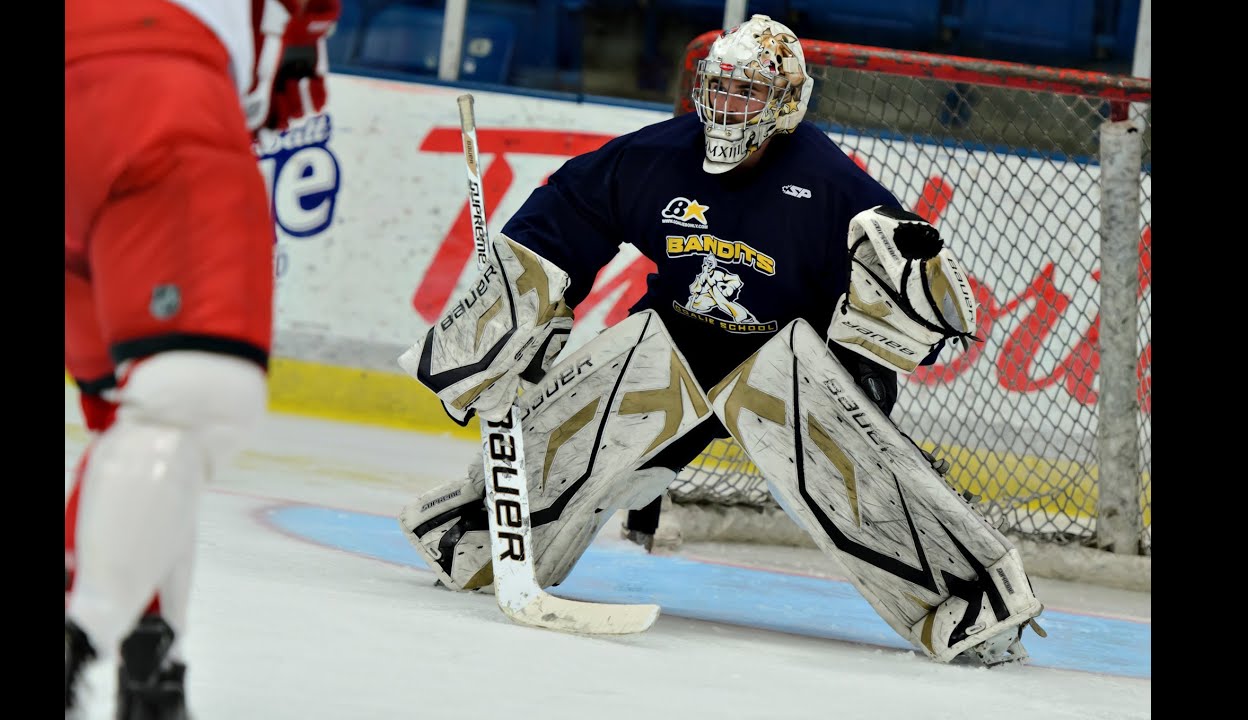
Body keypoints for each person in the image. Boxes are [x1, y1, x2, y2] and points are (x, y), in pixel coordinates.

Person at [397, 14, 1037, 665]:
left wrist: (880, 352)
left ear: (787, 102)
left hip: (786, 356)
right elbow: (564, 215)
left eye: (748, 92)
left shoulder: (827, 183)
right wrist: (501, 335)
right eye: (719, 88)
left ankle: (971, 603)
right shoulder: (655, 158)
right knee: (564, 433)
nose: (728, 108)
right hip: (674, 339)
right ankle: (477, 538)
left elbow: (890, 276)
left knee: (857, 480)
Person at [64, 1, 340, 716]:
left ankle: (152, 660)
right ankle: (92, 628)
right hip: (155, 83)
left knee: (135, 423)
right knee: (190, 398)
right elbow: (291, 76)